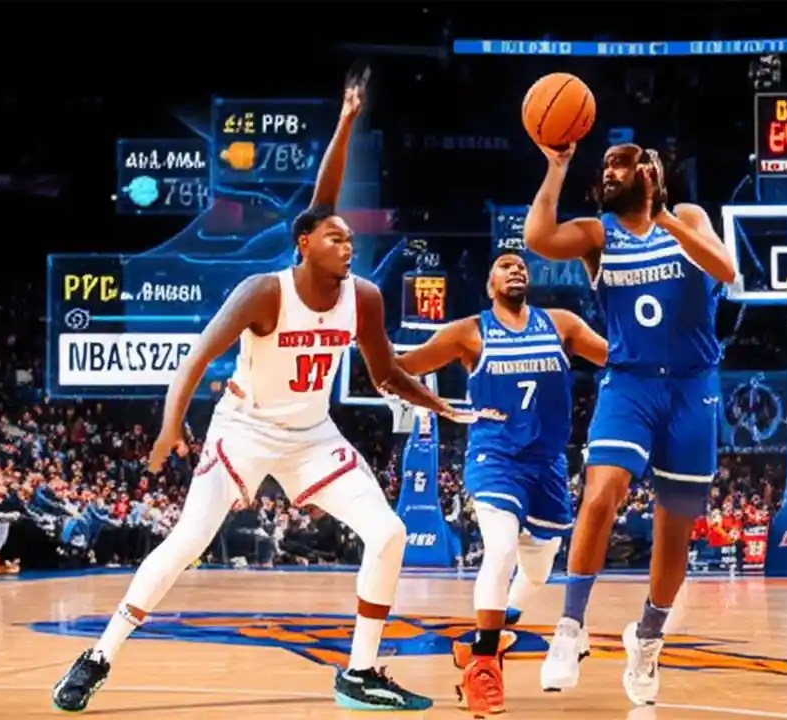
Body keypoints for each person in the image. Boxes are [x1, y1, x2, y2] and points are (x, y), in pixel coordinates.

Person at [52, 75, 484, 713]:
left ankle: (360, 672)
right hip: (244, 429)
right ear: (305, 244)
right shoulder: (264, 292)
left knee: (389, 533)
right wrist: (171, 426)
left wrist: (438, 404)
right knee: (187, 542)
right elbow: (197, 358)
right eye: (336, 238)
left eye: (351, 238)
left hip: (312, 436)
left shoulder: (363, 298)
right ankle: (98, 656)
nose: (349, 244)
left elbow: (387, 374)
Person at [523, 140, 736, 705]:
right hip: (630, 383)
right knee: (601, 494)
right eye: (607, 166)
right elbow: (538, 238)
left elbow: (726, 269)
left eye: (624, 161)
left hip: (692, 387)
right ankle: (569, 629)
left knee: (675, 531)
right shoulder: (599, 235)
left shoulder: (687, 218)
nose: (612, 171)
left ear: (651, 170)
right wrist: (557, 167)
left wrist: (666, 216)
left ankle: (648, 638)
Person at [395, 252, 606, 714]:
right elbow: (401, 366)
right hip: (496, 458)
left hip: (547, 464)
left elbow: (617, 358)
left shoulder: (562, 325)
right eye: (504, 265)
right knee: (501, 548)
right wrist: (439, 405)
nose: (515, 269)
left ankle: (486, 636)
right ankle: (484, 666)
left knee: (538, 571)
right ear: (490, 285)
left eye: (520, 265)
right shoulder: (469, 332)